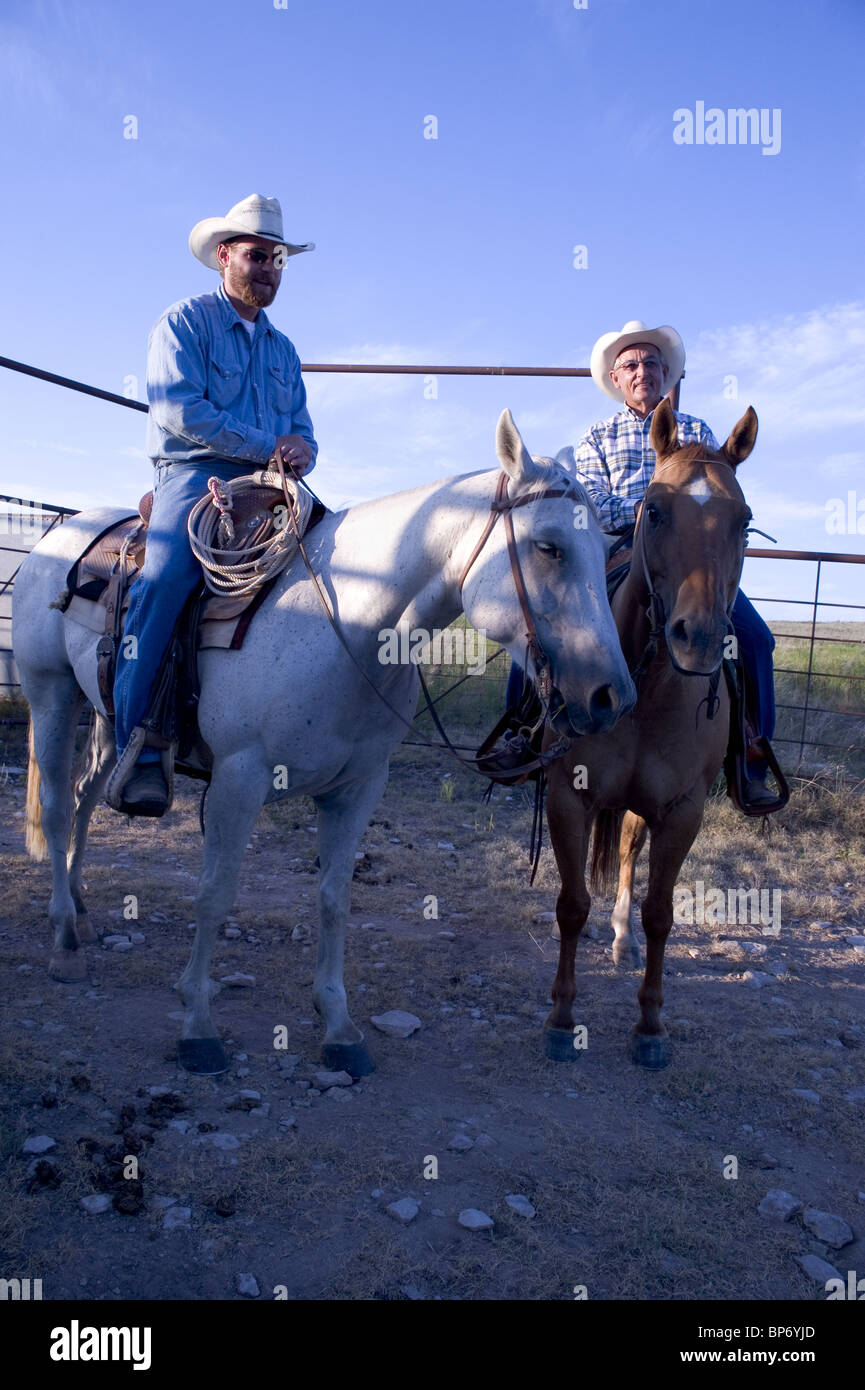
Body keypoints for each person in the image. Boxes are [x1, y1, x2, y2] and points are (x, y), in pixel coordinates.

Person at [507, 319, 777, 807]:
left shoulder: (698, 431)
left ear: (665, 372)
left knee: (755, 639)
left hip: (687, 558)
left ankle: (750, 755)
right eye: (630, 364)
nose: (641, 371)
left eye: (651, 362)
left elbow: (715, 498)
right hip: (617, 550)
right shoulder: (596, 438)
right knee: (542, 622)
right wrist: (645, 511)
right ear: (616, 378)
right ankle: (521, 728)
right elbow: (587, 500)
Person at [109, 194, 318, 816]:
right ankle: (140, 751)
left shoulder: (284, 351)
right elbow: (179, 411)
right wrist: (266, 445)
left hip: (274, 485)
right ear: (223, 256)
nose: (269, 270)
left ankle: (297, 731)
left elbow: (304, 428)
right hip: (194, 476)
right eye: (257, 256)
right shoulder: (184, 322)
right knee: (166, 581)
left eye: (278, 260)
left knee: (332, 568)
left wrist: (303, 451)